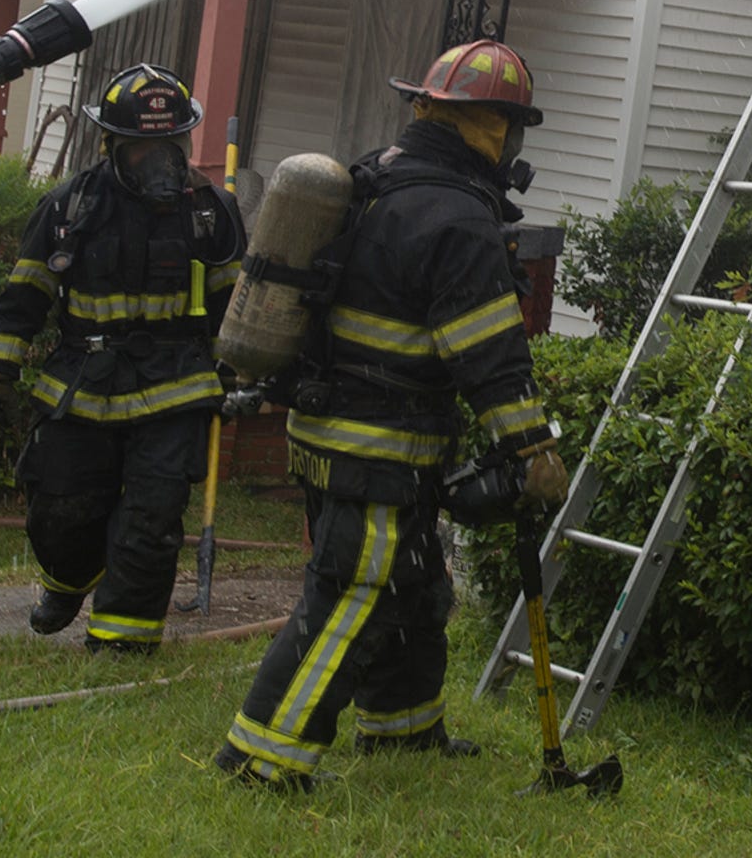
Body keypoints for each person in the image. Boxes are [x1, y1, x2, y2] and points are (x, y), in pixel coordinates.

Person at [213, 38, 568, 789]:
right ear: (496, 126)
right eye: (510, 127)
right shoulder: (457, 216)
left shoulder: (380, 176)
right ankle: (261, 756)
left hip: (333, 427)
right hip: (379, 443)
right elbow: (487, 353)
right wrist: (532, 449)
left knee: (412, 584)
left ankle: (403, 727)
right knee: (353, 594)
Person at [0, 64, 243, 653]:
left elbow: (233, 308)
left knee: (152, 519)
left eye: (170, 144)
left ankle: (123, 643)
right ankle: (68, 581)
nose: (160, 158)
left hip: (175, 387)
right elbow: (24, 296)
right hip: (83, 381)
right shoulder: (70, 208)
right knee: (63, 509)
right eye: (144, 146)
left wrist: (238, 374)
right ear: (113, 144)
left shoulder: (209, 212)